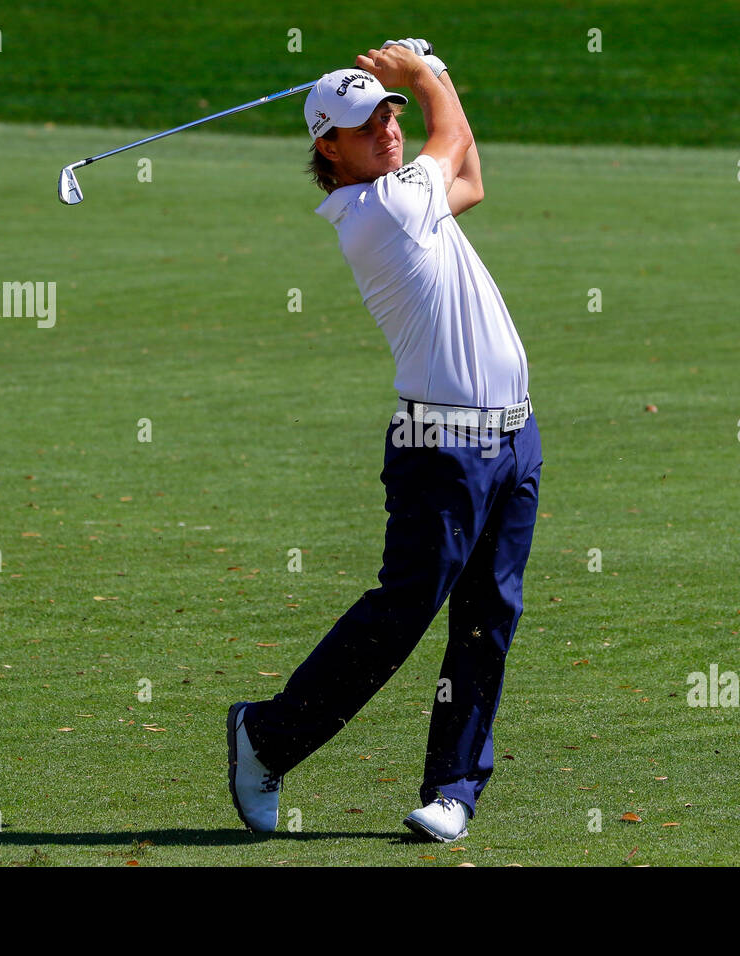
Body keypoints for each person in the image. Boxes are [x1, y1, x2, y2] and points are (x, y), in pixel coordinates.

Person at [227, 38, 542, 843]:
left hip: (512, 443)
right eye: (368, 125)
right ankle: (266, 739)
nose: (388, 130)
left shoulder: (411, 198)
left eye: (390, 116)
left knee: (488, 618)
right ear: (328, 148)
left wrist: (425, 78)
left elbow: (468, 174)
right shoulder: (381, 212)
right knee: (402, 613)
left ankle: (453, 791)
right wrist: (428, 70)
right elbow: (451, 145)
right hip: (442, 452)